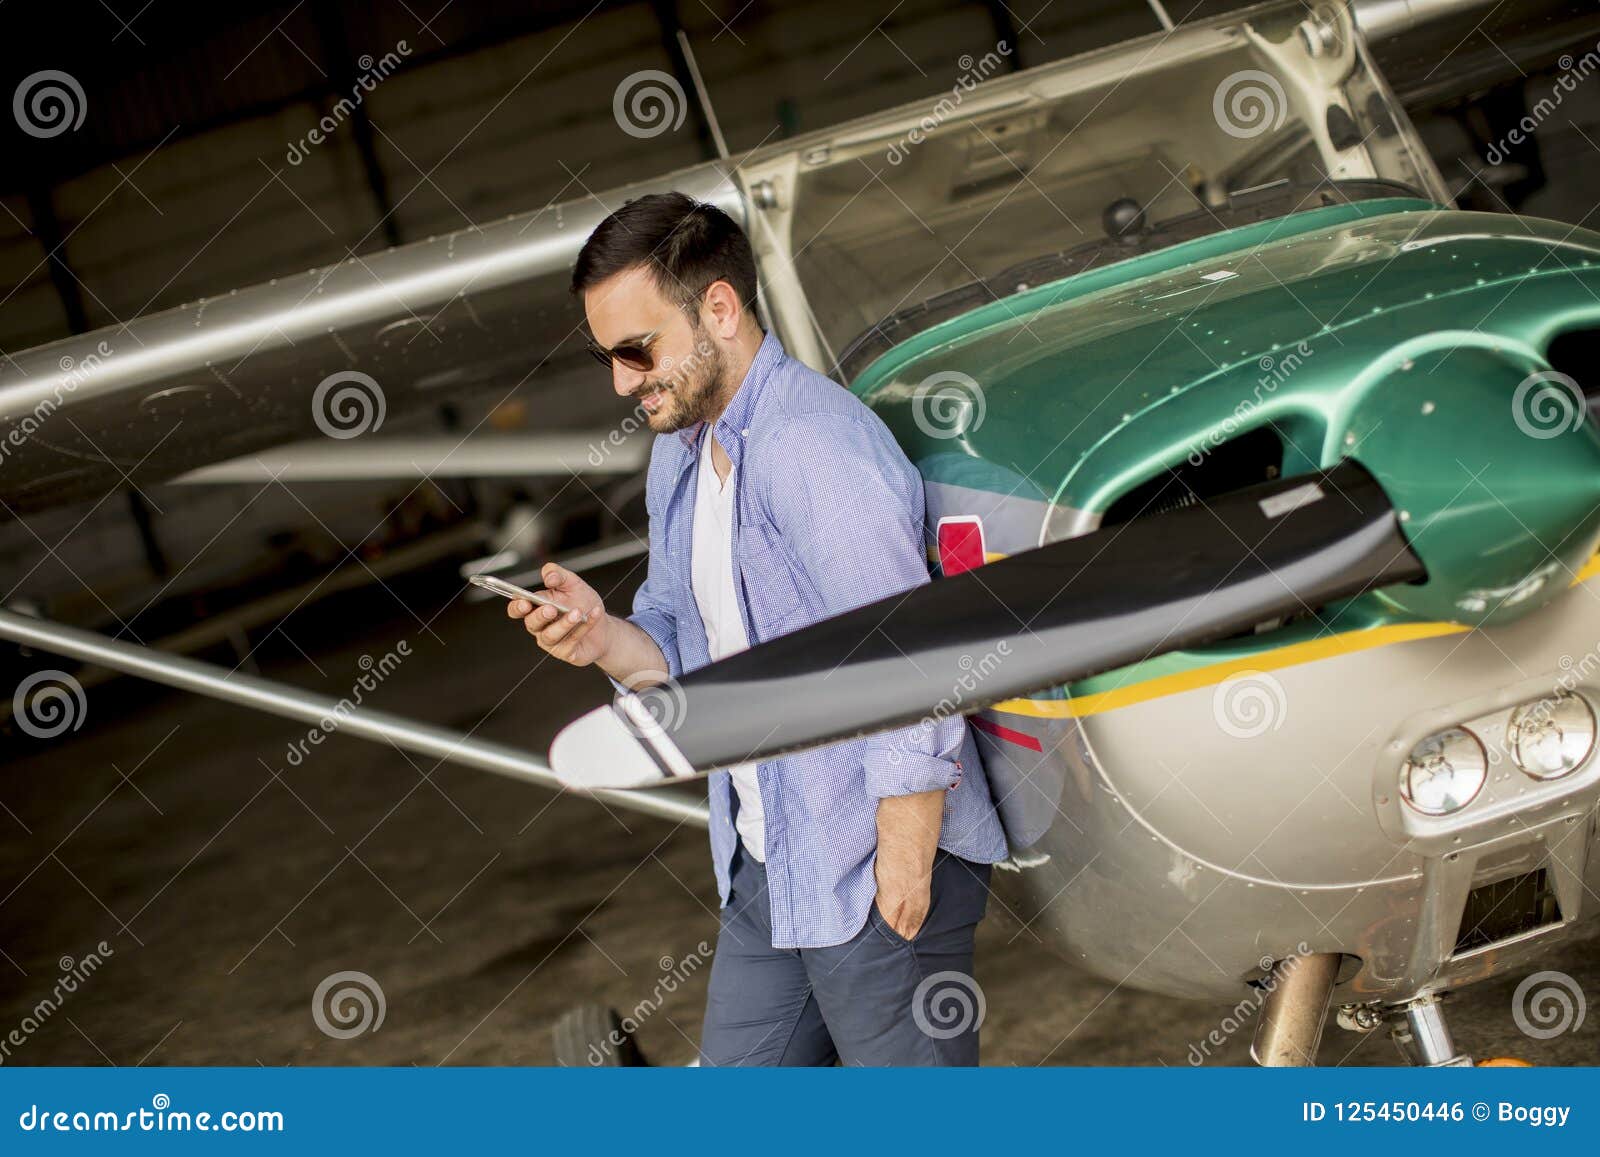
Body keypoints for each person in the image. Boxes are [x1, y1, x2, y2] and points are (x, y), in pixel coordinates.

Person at [508, 191, 1008, 1065]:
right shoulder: (679, 456)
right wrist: (601, 637)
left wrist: (904, 858)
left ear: (720, 310)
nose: (621, 382)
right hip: (771, 859)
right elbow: (686, 657)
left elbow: (910, 651)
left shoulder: (810, 446)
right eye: (607, 357)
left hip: (872, 857)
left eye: (636, 350)